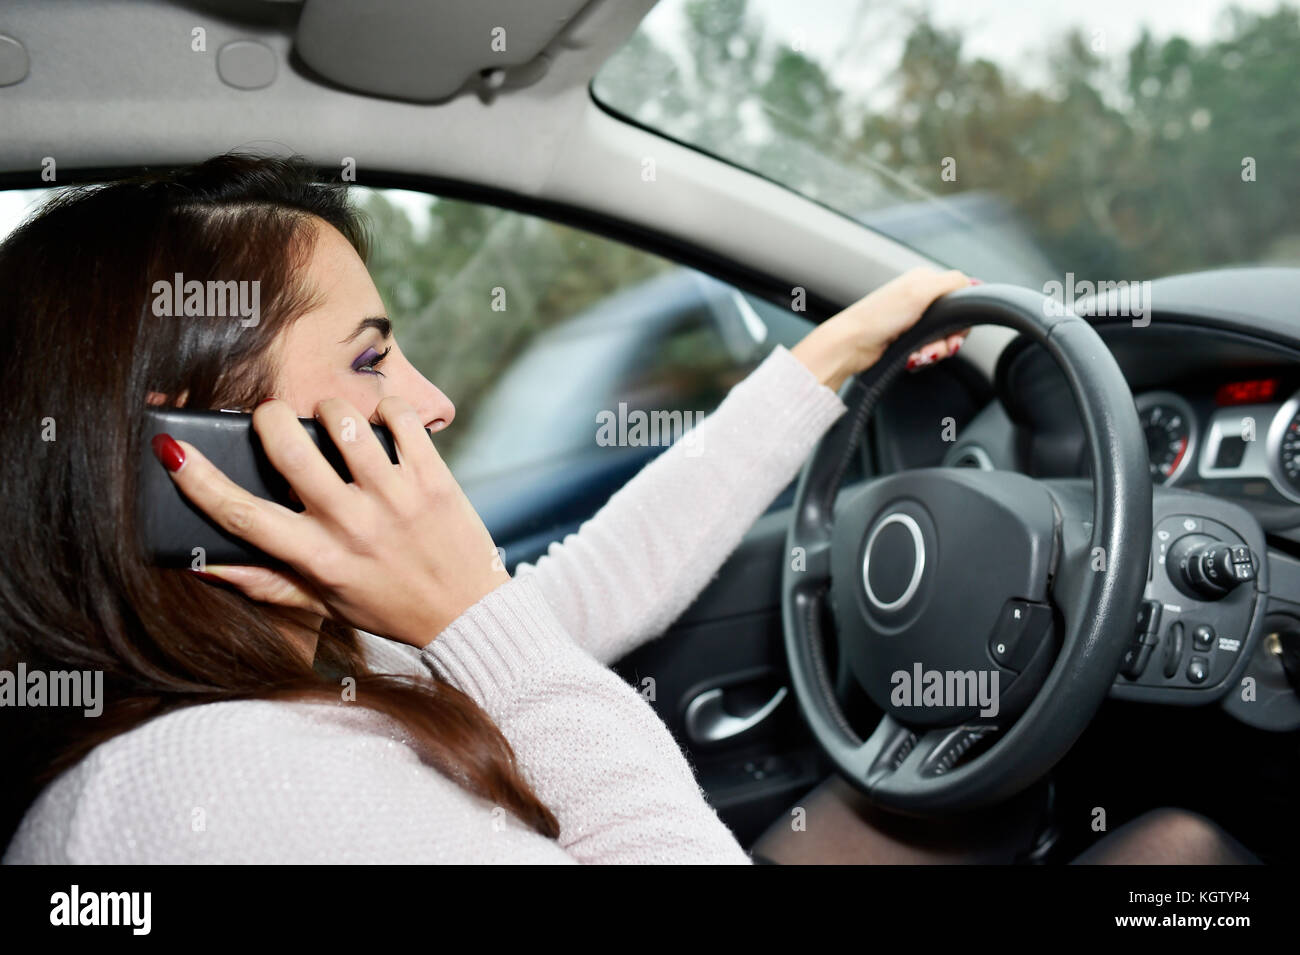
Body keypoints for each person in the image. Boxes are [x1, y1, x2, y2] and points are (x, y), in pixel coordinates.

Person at [0, 154, 1252, 864]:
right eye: (373, 357)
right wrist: (474, 612)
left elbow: (589, 589)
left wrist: (829, 356)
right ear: (187, 454)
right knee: (1182, 855)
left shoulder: (274, 697)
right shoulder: (228, 787)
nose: (433, 403)